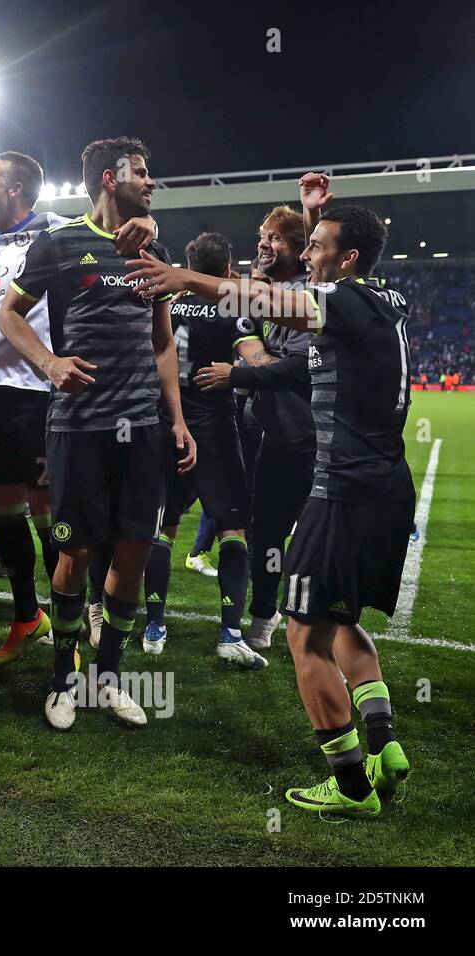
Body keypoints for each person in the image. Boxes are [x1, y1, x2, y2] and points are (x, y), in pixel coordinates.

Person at [128, 202, 413, 819]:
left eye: (319, 246)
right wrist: (315, 217)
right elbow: (283, 320)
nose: (307, 257)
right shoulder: (385, 301)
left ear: (349, 258)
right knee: (340, 619)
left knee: (303, 634)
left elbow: (273, 302)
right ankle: (384, 743)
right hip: (387, 487)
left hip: (344, 491)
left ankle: (350, 784)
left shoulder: (347, 302)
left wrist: (188, 280)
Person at [0, 137, 195, 730]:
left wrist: (178, 419)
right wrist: (50, 363)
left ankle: (108, 677)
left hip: (142, 426)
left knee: (133, 550)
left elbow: (163, 343)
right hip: (79, 426)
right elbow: (9, 313)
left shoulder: (151, 248)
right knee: (74, 550)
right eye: (142, 171)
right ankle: (62, 676)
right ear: (110, 178)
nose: (151, 181)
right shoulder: (58, 244)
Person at [192, 201, 316, 651]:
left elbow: (300, 367)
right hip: (263, 429)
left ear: (300, 248)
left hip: (302, 437)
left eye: (276, 237)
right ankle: (264, 613)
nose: (263, 243)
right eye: (262, 235)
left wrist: (238, 373)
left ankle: (309, 619)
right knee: (264, 529)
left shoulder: (308, 296)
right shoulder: (262, 291)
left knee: (304, 530)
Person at [144, 232, 265, 666]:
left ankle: (154, 626)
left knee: (164, 526)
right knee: (233, 528)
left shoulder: (168, 303)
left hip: (166, 426)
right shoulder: (230, 305)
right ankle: (231, 633)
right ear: (229, 271)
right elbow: (252, 355)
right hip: (214, 428)